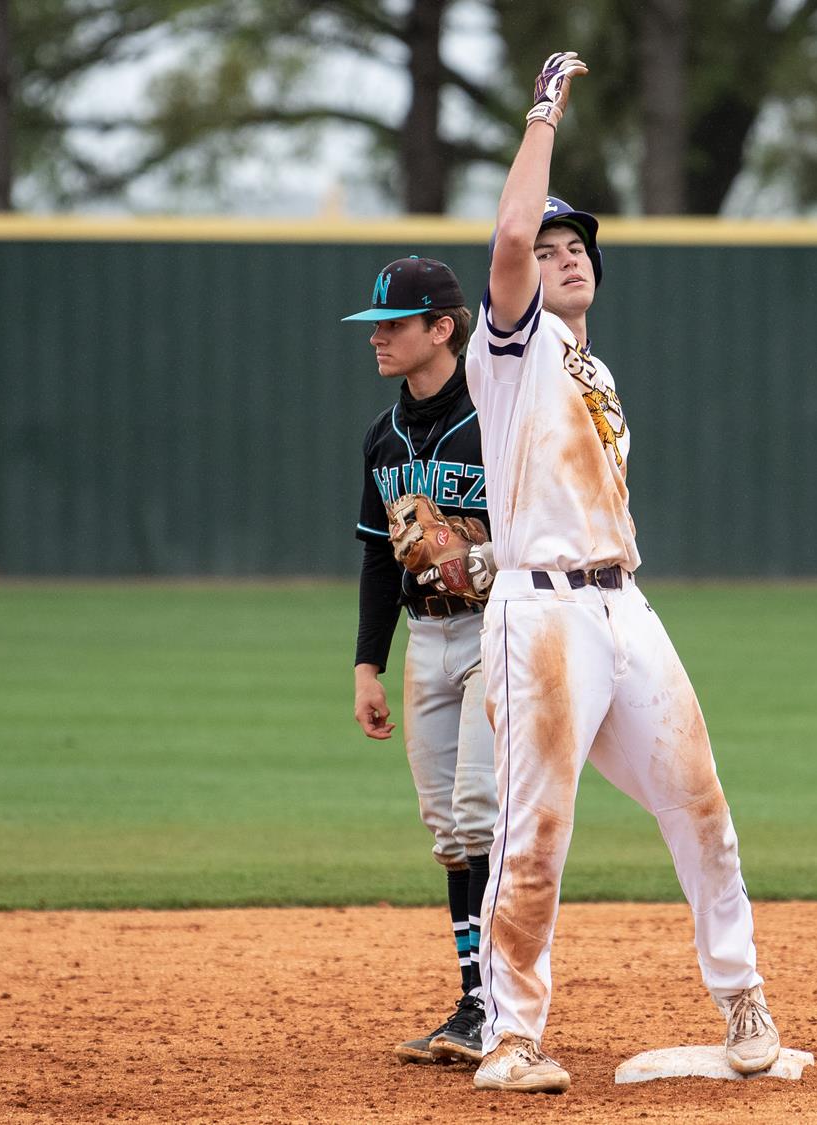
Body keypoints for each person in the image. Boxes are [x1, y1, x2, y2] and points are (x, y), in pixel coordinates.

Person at [464, 52, 781, 1095]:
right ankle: (511, 1039)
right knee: (535, 833)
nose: (562, 257)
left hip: (623, 604)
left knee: (700, 801)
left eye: (576, 247)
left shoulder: (591, 369)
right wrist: (543, 114)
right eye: (549, 249)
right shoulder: (509, 351)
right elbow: (509, 235)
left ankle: (742, 998)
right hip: (541, 616)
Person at [346, 256, 496, 1066]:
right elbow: (379, 557)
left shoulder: (495, 416)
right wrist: (367, 666)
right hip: (425, 641)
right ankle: (473, 1000)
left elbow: (545, 525)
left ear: (442, 328)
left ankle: (497, 1001)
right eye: (375, 326)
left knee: (479, 812)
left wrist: (485, 558)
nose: (378, 338)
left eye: (394, 324)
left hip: (496, 632)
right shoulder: (383, 436)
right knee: (447, 830)